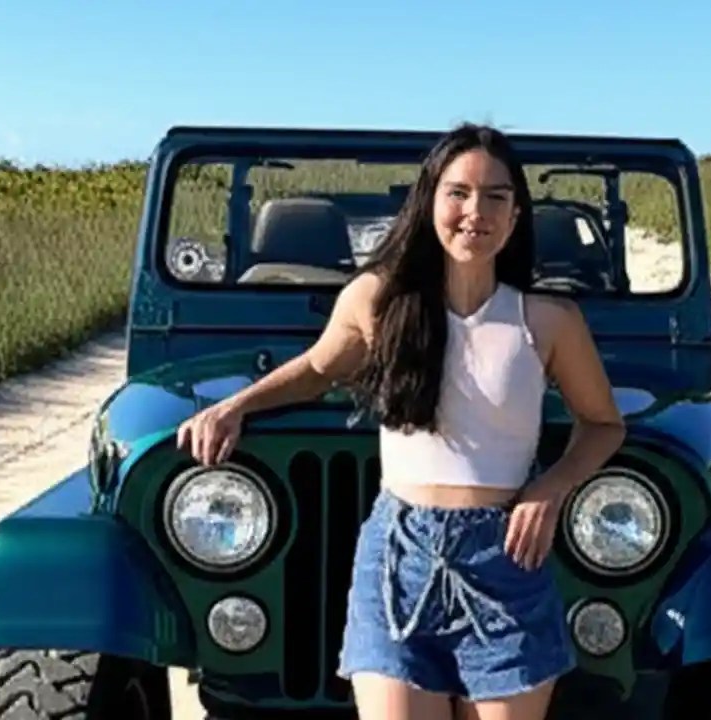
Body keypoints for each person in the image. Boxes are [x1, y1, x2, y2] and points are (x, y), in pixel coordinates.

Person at [176, 123, 626, 720]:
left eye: (496, 196)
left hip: (505, 558)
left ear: (517, 215)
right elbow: (317, 368)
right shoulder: (377, 301)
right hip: (399, 553)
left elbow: (602, 423)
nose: (476, 212)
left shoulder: (548, 321)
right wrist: (237, 406)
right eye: (459, 192)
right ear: (431, 200)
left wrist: (550, 488)